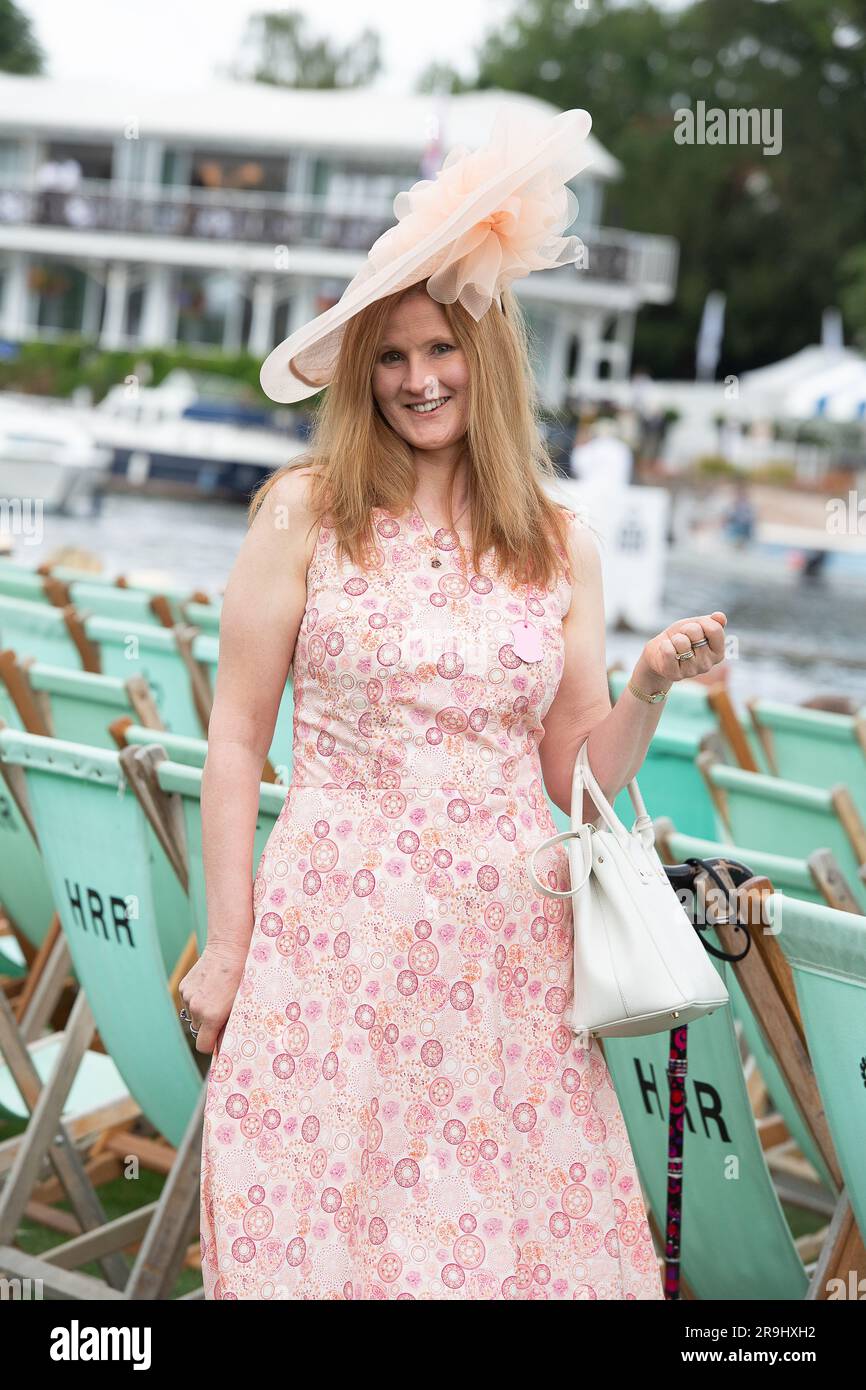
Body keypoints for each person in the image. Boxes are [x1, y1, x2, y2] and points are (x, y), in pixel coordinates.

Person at [180, 107, 727, 1301]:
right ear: (361, 368)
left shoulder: (557, 544)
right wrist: (228, 944)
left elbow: (571, 770)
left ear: (487, 359)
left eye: (440, 350)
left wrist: (642, 687)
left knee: (502, 1247)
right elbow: (232, 741)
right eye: (390, 354)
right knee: (320, 1233)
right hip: (333, 939)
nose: (418, 379)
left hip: (507, 956)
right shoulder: (301, 513)